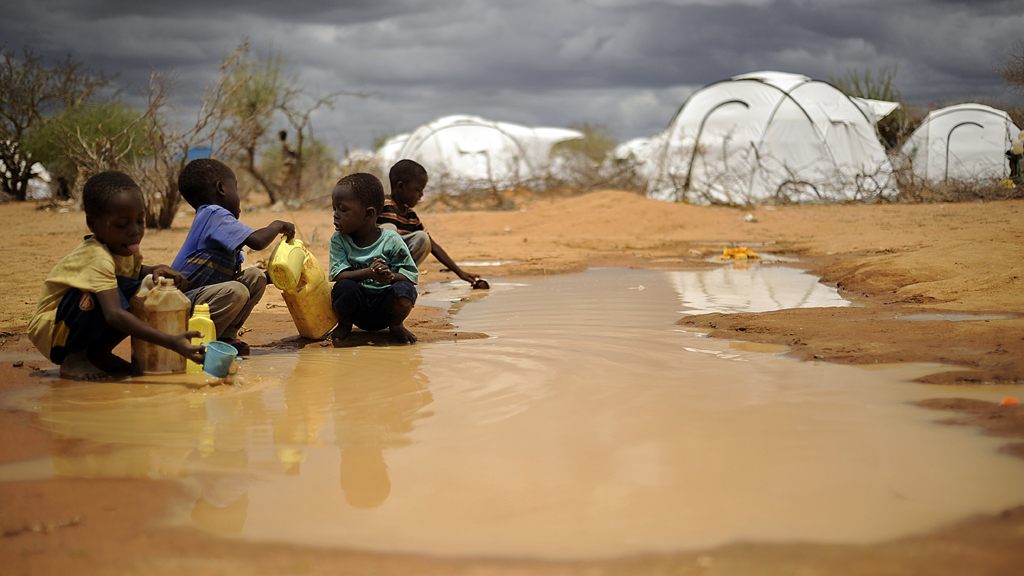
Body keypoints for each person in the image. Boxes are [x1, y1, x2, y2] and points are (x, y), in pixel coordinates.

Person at [27, 171, 205, 381]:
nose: (134, 231)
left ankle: (98, 354)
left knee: (143, 287)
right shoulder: (96, 257)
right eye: (122, 224)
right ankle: (74, 358)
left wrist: (157, 269)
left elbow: (135, 273)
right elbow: (113, 315)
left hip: (73, 323)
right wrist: (171, 341)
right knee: (100, 295)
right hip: (54, 330)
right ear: (93, 224)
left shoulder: (125, 247)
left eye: (140, 221)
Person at [173, 158, 295, 356]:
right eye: (236, 188)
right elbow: (257, 241)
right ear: (221, 189)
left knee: (256, 276)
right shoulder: (213, 214)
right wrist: (278, 226)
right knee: (237, 290)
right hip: (181, 306)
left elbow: (224, 279)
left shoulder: (215, 221)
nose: (239, 196)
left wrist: (272, 275)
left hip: (202, 300)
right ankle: (200, 341)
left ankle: (225, 336)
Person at [329, 173, 419, 345]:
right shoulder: (339, 240)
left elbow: (411, 276)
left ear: (368, 214)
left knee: (405, 289)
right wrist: (368, 273)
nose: (336, 215)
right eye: (334, 209)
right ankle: (345, 324)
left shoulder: (391, 240)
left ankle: (396, 325)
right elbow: (338, 275)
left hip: (385, 308)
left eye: (343, 209)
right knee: (344, 287)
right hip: (357, 309)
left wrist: (388, 276)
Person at [378, 160, 482, 286]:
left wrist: (460, 273)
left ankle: (400, 275)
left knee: (423, 238)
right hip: (373, 262)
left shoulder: (411, 217)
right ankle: (377, 274)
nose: (421, 195)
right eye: (418, 189)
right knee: (389, 228)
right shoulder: (381, 204)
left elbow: (433, 246)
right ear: (401, 187)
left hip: (393, 268)